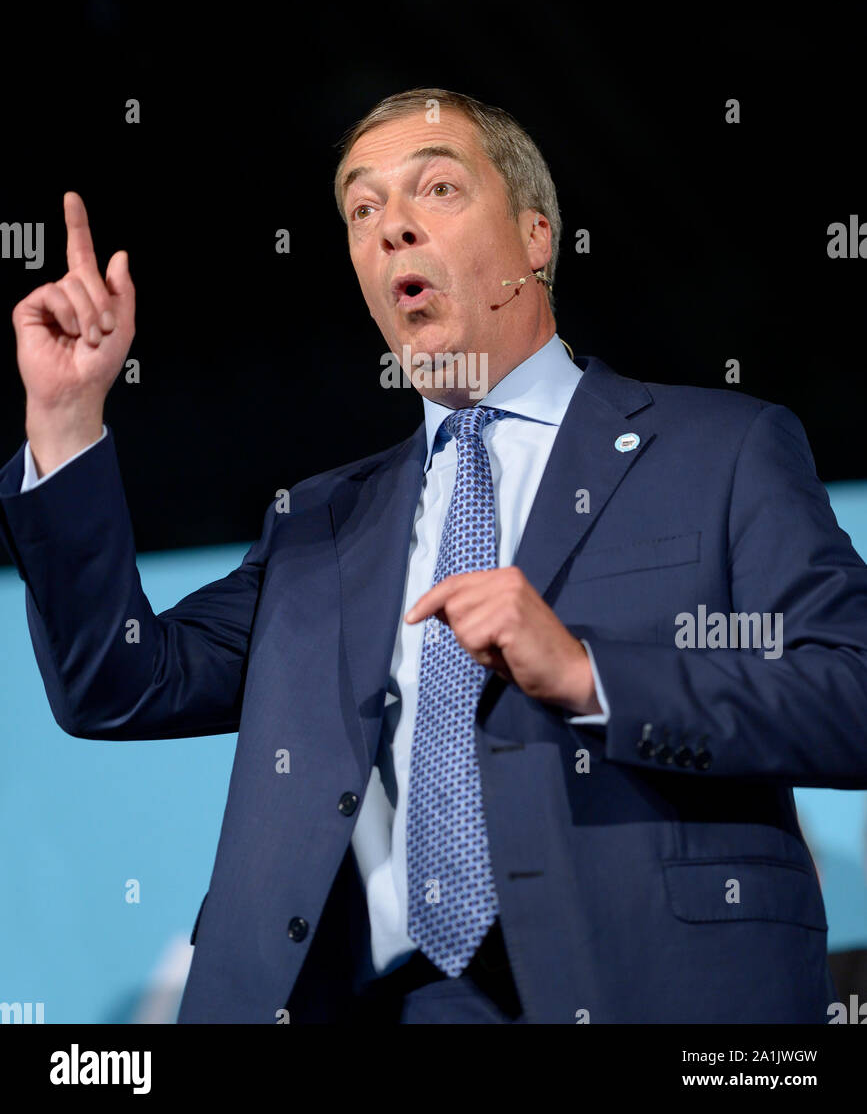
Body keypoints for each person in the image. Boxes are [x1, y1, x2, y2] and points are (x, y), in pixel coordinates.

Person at [2, 86, 866, 1025]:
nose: (391, 229)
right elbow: (119, 683)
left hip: (637, 991)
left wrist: (590, 675)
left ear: (537, 238)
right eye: (362, 210)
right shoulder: (320, 522)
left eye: (437, 190)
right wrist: (66, 422)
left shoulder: (721, 450)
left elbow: (850, 696)